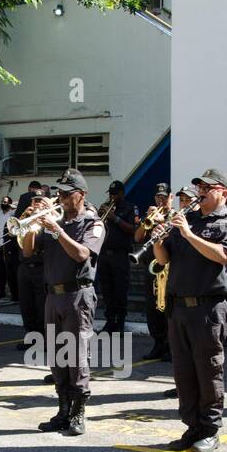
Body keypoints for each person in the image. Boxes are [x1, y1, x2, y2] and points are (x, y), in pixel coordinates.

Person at [152, 170, 227, 452]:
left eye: (207, 187)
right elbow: (164, 258)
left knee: (208, 371)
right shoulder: (187, 218)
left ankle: (210, 429)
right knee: (183, 372)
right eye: (199, 186)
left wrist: (188, 234)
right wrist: (157, 239)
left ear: (223, 193)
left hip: (208, 308)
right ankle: (191, 425)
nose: (200, 191)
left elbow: (223, 256)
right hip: (179, 306)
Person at [22, 169, 105, 437]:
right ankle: (63, 409)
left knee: (77, 355)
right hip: (52, 295)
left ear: (81, 195)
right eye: (59, 194)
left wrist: (56, 230)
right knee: (58, 356)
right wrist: (29, 223)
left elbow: (82, 254)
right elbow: (26, 250)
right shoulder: (53, 221)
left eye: (67, 194)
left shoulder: (93, 223)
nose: (62, 198)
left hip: (77, 295)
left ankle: (78, 412)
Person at [134, 184, 173, 361]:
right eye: (158, 197)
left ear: (170, 198)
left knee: (167, 309)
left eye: (164, 197)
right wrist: (147, 221)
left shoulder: (176, 216)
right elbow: (137, 237)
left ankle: (170, 346)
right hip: (150, 268)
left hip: (167, 270)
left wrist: (161, 222)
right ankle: (158, 344)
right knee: (152, 308)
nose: (160, 200)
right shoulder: (150, 215)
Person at [96, 180, 137, 334]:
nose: (112, 196)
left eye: (115, 193)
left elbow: (133, 229)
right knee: (107, 291)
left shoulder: (130, 208)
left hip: (120, 255)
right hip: (104, 254)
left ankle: (120, 322)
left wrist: (115, 219)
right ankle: (110, 321)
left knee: (120, 290)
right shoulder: (106, 207)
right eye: (111, 193)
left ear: (122, 193)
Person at [15, 182, 49, 352]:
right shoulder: (26, 216)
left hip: (42, 266)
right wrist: (25, 218)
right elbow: (13, 233)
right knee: (26, 304)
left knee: (42, 305)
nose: (36, 204)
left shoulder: (49, 219)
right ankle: (31, 337)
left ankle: (44, 339)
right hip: (25, 266)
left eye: (40, 200)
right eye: (34, 201)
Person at [0, 194, 17, 302]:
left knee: (10, 271)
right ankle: (1, 291)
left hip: (7, 245)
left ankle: (13, 293)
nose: (4, 203)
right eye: (3, 201)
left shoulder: (12, 214)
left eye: (6, 202)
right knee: (0, 270)